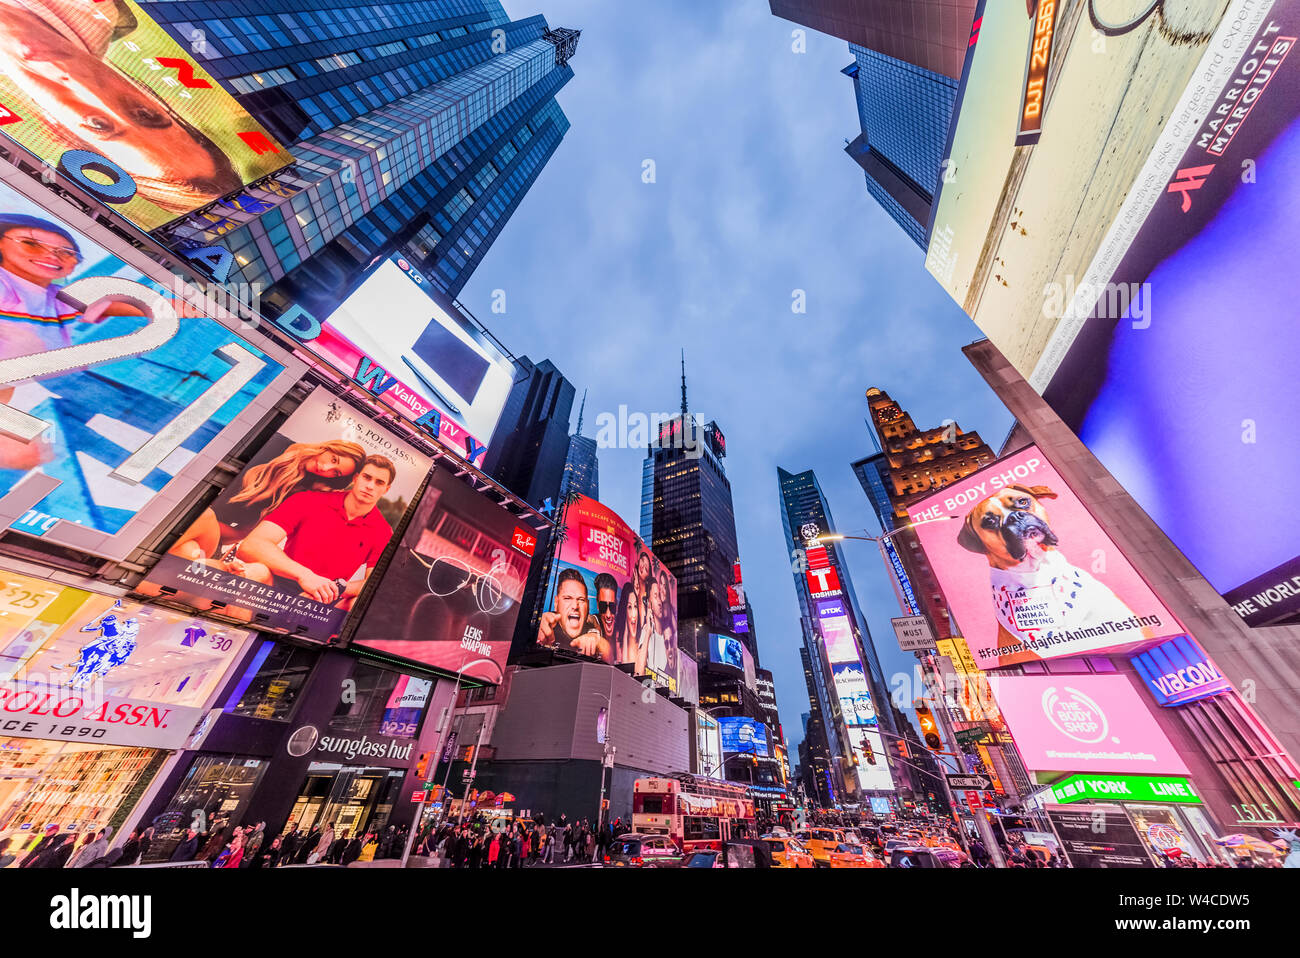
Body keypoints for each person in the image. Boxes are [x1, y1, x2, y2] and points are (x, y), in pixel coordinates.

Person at [0, 0, 249, 220]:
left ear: (57, 129)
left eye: (98, 124)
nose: (87, 87)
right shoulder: (94, 10)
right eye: (145, 113)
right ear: (155, 99)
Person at [168, 440, 366, 574]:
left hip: (207, 534)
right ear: (330, 448)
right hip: (184, 520)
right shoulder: (277, 445)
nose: (325, 469)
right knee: (187, 550)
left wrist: (208, 524)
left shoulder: (297, 494)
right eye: (333, 460)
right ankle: (213, 567)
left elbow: (241, 535)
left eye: (335, 473)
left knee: (204, 517)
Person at [237, 455, 398, 609]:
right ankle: (234, 635)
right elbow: (250, 546)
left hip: (326, 598)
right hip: (280, 581)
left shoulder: (382, 531)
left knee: (357, 603)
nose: (370, 486)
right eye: (367, 477)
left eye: (379, 482)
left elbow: (376, 583)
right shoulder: (309, 500)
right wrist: (305, 576)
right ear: (356, 478)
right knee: (256, 572)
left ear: (386, 489)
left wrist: (329, 589)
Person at [537, 568, 608, 658]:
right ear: (556, 603)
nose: (575, 606)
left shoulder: (591, 625)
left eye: (581, 600)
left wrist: (599, 641)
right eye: (567, 598)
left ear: (588, 605)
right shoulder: (547, 624)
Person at [611, 582, 641, 666]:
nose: (633, 614)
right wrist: (626, 630)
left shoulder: (643, 635)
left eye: (636, 606)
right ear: (624, 609)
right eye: (629, 607)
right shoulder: (618, 635)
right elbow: (622, 666)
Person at [592, 572, 619, 661]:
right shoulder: (593, 622)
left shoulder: (622, 632)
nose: (608, 615)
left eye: (612, 607)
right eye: (603, 606)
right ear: (597, 605)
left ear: (617, 605)